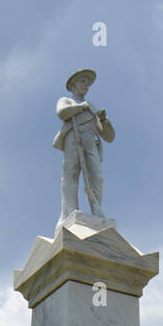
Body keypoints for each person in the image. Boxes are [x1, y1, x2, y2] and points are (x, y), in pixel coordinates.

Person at [53, 68, 115, 221]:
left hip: (90, 143)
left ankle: (97, 210)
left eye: (87, 83)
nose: (86, 86)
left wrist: (103, 120)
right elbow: (62, 113)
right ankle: (70, 210)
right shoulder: (66, 101)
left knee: (97, 177)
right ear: (74, 85)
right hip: (73, 139)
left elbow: (108, 137)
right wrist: (83, 107)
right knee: (71, 175)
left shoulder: (91, 107)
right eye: (83, 82)